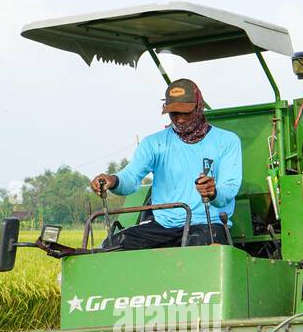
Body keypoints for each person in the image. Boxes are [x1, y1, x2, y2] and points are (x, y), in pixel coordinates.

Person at [89, 78, 242, 250]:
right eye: (174, 113)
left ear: (199, 107)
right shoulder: (154, 143)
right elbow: (131, 177)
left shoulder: (227, 141)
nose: (180, 119)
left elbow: (229, 188)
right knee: (113, 245)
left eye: (186, 112)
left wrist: (213, 192)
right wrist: (113, 180)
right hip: (164, 226)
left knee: (198, 247)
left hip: (207, 224)